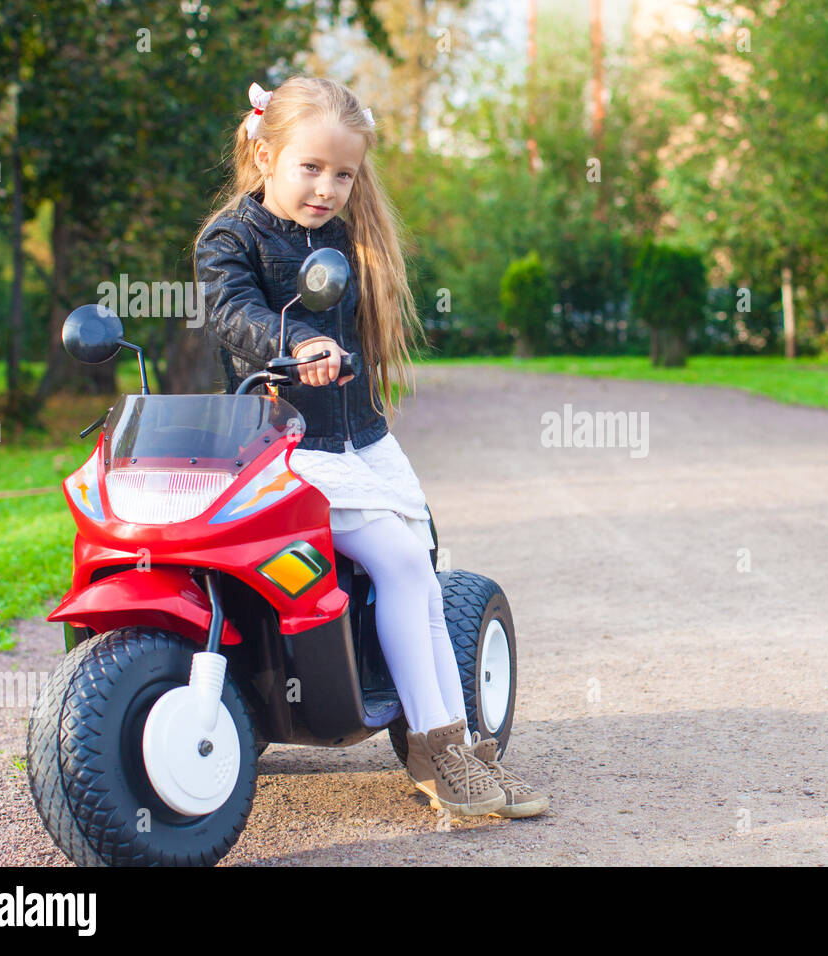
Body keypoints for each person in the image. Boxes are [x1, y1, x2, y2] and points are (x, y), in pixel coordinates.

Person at [194, 75, 547, 820]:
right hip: (287, 443)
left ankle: (461, 747)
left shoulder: (343, 235)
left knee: (418, 572)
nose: (327, 187)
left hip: (362, 440)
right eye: (310, 168)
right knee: (395, 561)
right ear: (264, 154)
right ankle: (441, 753)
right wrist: (296, 342)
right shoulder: (231, 236)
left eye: (344, 173)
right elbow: (236, 313)